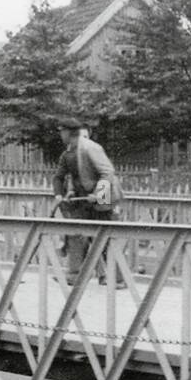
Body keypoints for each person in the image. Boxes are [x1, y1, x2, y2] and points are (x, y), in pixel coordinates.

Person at [52, 118, 124, 286]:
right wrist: (60, 194)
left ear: (69, 132)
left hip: (101, 199)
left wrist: (99, 195)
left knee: (105, 239)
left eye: (62, 131)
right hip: (83, 199)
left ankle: (120, 279)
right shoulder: (68, 152)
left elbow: (107, 173)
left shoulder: (91, 148)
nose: (60, 135)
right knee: (75, 234)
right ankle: (75, 274)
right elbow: (59, 176)